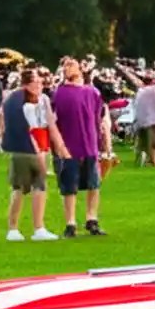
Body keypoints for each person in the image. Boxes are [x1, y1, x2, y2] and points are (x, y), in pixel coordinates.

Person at [1, 69, 69, 242]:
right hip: (27, 146)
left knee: (37, 186)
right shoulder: (20, 102)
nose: (39, 85)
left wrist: (60, 147)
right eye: (35, 83)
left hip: (37, 143)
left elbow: (50, 124)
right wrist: (38, 150)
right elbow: (27, 129)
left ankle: (33, 227)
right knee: (23, 187)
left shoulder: (39, 99)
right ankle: (18, 227)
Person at [51, 57, 110, 238]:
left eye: (71, 64)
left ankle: (91, 219)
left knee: (94, 184)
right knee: (69, 186)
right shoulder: (59, 94)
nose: (68, 68)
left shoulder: (92, 92)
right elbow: (52, 121)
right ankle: (70, 222)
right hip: (69, 147)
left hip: (90, 144)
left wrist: (105, 145)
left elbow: (100, 119)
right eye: (65, 66)